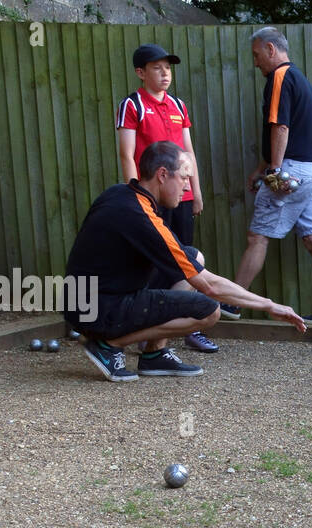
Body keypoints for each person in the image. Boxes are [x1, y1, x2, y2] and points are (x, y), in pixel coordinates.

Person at [65, 141, 305, 383]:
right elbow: (208, 285)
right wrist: (270, 305)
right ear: (162, 175)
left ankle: (153, 354)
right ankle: (108, 345)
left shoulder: (121, 194)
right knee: (209, 311)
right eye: (183, 178)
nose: (187, 187)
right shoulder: (140, 216)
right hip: (95, 308)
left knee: (193, 257)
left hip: (84, 299)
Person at [223, 26, 312, 326]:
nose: (255, 63)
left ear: (270, 49)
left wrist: (274, 171)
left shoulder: (280, 77)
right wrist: (260, 168)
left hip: (291, 172)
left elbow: (280, 127)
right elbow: (288, 132)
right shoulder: (300, 80)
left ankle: (232, 304)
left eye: (256, 55)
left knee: (257, 237)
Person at [116, 42, 217, 354]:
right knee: (151, 263)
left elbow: (188, 153)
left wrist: (196, 191)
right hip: (152, 196)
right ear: (140, 72)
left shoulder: (178, 106)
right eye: (157, 68)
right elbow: (126, 155)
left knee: (185, 261)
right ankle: (144, 329)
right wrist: (137, 197)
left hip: (181, 197)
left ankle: (190, 324)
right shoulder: (132, 105)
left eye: (168, 68)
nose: (164, 73)